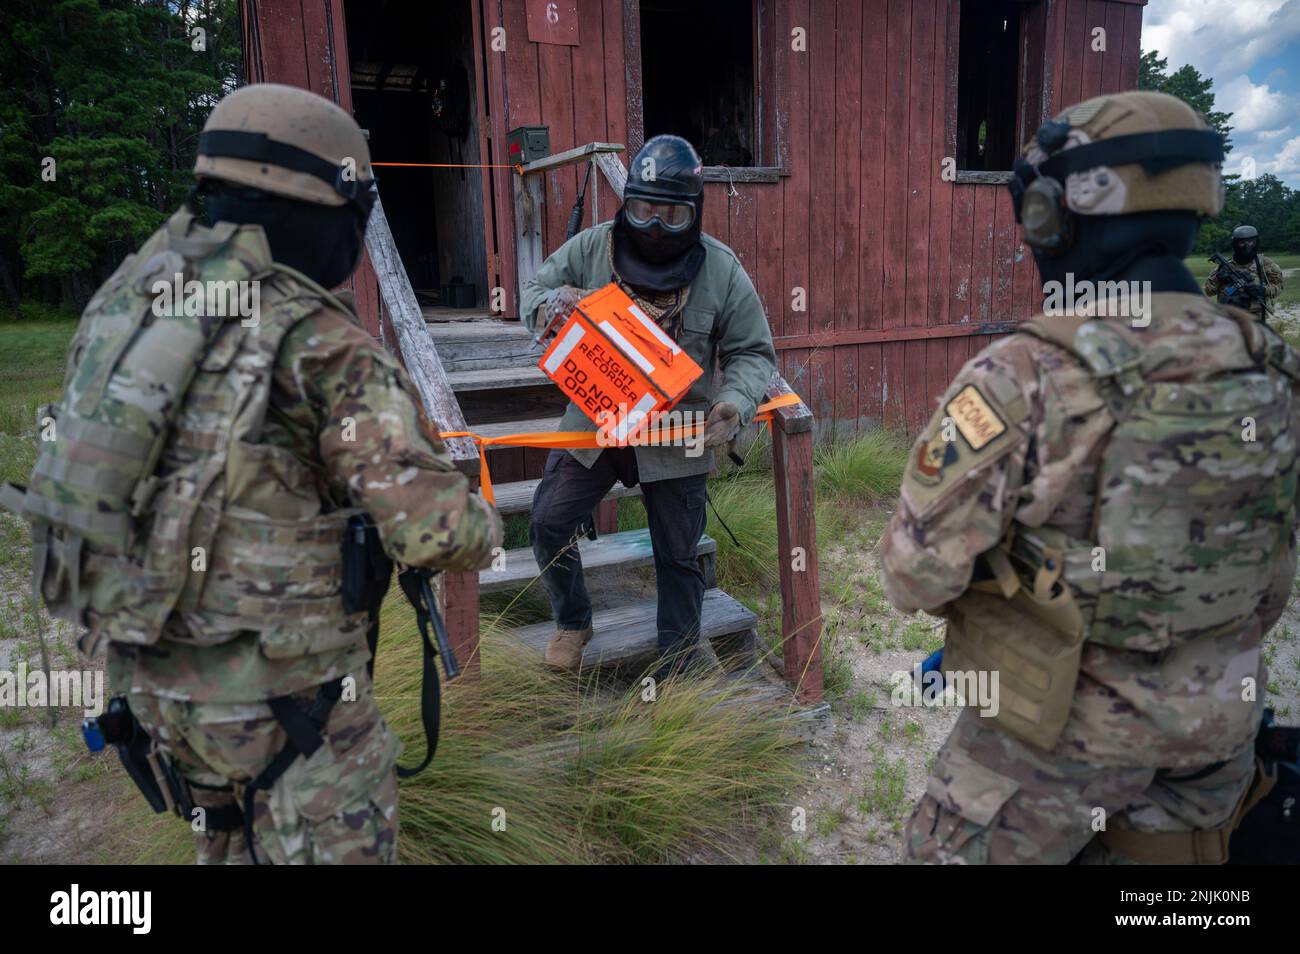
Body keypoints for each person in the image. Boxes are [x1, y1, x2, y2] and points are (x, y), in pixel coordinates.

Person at [0, 83, 502, 864]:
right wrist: (476, 510)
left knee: (226, 845)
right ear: (328, 210)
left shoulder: (128, 311)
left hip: (157, 692)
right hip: (289, 708)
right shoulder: (320, 342)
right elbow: (443, 534)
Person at [879, 91, 1296, 864]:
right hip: (1215, 740)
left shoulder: (1025, 373)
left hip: (1051, 740)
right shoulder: (1270, 365)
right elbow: (1270, 580)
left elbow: (914, 574)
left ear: (1058, 214)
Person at [519, 135, 776, 680]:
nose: (655, 226)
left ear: (695, 212)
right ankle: (573, 622)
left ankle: (678, 658)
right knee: (548, 519)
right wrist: (550, 306)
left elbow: (752, 351)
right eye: (643, 210)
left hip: (678, 429)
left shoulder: (722, 271)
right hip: (598, 419)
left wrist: (735, 403)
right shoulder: (592, 249)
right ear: (626, 202)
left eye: (672, 215)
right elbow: (534, 289)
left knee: (679, 553)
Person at [1204, 224, 1284, 321]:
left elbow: (1278, 288)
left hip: (1255, 318)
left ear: (1256, 242)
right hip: (1227, 317)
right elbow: (1208, 292)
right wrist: (1218, 278)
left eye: (1251, 242)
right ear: (1235, 243)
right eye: (1242, 242)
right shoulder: (1223, 267)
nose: (1247, 246)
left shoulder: (1265, 264)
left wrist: (1263, 290)